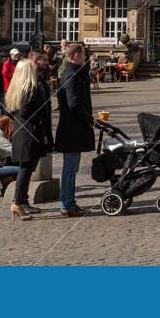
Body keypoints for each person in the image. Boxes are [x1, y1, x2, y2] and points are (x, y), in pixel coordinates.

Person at [4, 56, 53, 220]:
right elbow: (26, 112)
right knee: (26, 169)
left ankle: (22, 201)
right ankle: (17, 203)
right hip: (29, 134)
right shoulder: (29, 89)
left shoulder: (17, 88)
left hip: (23, 133)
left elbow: (11, 112)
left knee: (27, 168)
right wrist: (41, 125)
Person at [54, 41, 94, 217]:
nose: (85, 57)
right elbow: (74, 103)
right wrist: (88, 118)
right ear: (76, 55)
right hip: (72, 129)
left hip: (73, 128)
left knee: (71, 169)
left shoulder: (73, 72)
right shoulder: (70, 75)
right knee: (70, 170)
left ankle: (68, 203)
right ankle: (67, 204)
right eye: (83, 54)